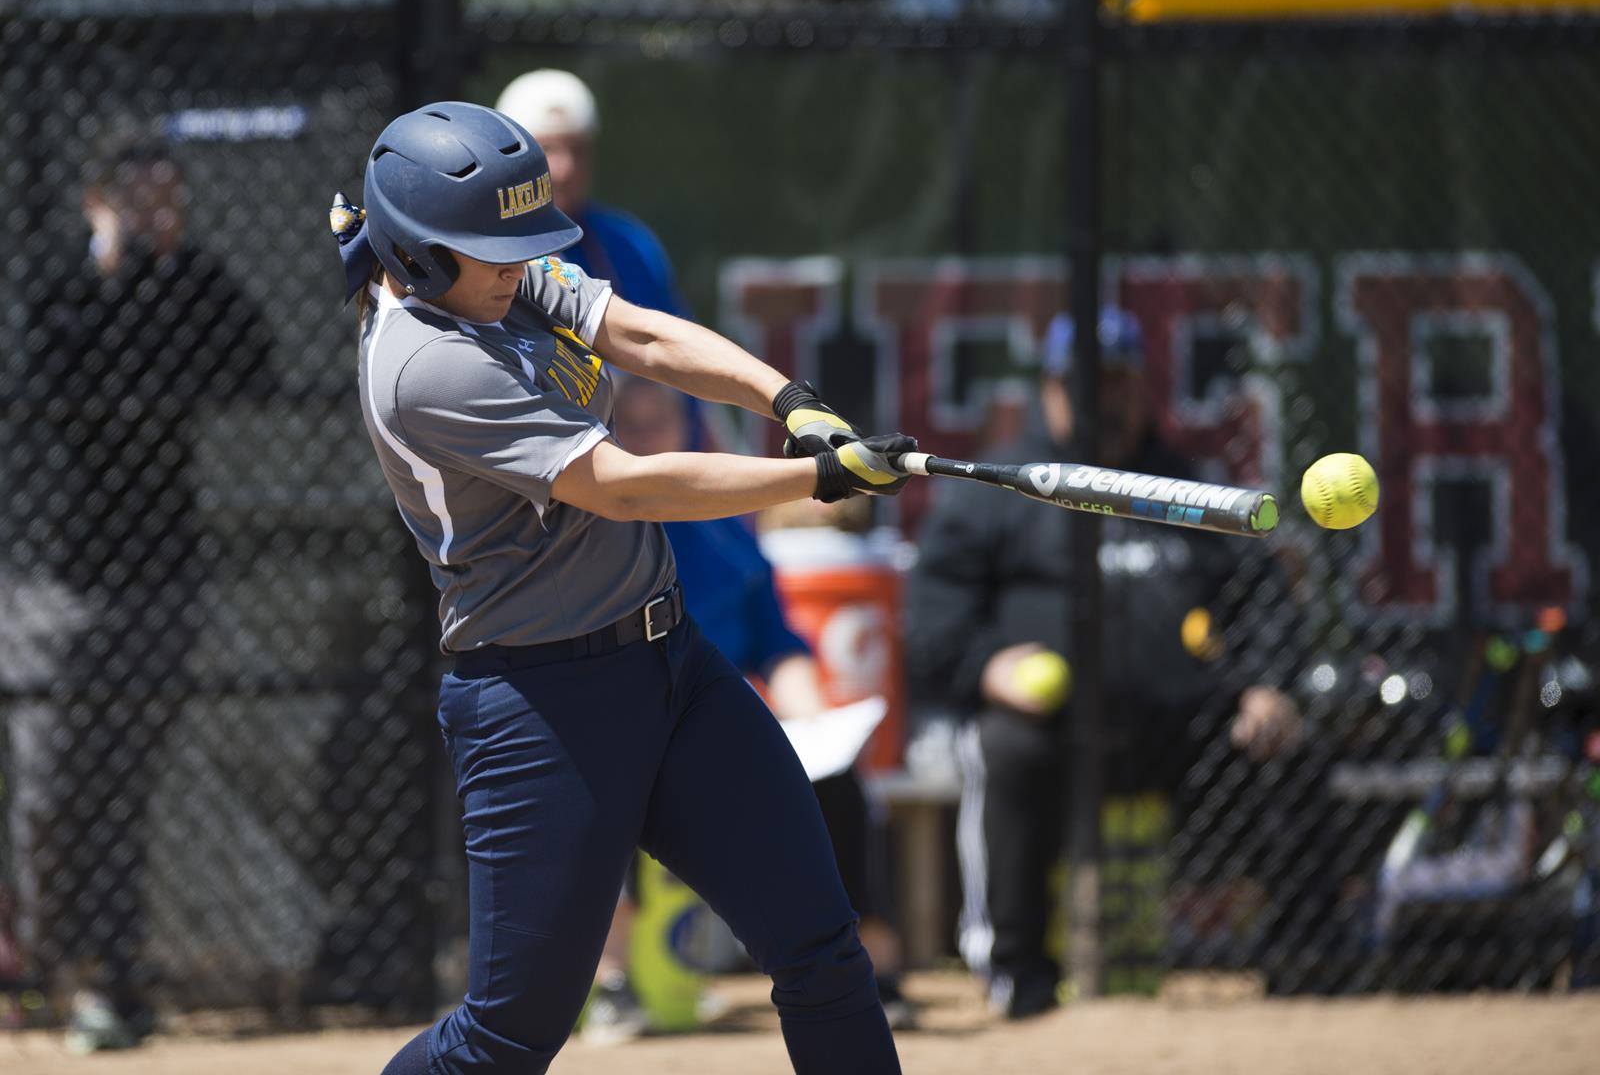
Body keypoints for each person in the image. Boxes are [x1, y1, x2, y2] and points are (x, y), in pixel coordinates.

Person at [332, 100, 912, 1075]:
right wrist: (812, 478)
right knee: (506, 1037)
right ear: (422, 253)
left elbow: (639, 332)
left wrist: (793, 404)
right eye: (494, 249)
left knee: (820, 948)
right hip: (542, 704)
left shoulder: (492, 274)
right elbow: (620, 482)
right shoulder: (422, 363)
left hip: (670, 665)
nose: (519, 266)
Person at [903, 308, 1294, 1018]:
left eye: (1117, 383)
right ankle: (1019, 974)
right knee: (1005, 748)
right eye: (1082, 383)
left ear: (1143, 389)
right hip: (1050, 732)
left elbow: (1261, 594)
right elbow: (931, 619)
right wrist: (988, 666)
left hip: (1183, 731)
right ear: (1047, 391)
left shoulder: (1184, 487)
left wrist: (1266, 682)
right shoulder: (996, 491)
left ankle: (1306, 960)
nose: (1100, 400)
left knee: (1288, 750)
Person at [9, 133, 275, 1049]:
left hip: (161, 569)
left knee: (125, 787)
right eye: (141, 198)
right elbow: (53, 373)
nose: (161, 214)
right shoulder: (58, 279)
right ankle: (55, 961)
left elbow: (256, 363)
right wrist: (116, 272)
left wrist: (163, 274)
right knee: (51, 788)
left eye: (173, 199)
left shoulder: (189, 280)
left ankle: (109, 982)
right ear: (98, 199)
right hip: (55, 574)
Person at [596, 377, 915, 1038]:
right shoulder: (601, 526)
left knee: (834, 777)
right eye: (638, 426)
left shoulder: (728, 539)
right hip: (628, 721)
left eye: (667, 423)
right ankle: (611, 985)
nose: (654, 437)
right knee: (604, 784)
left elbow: (778, 647)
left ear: (689, 433)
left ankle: (872, 966)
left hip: (719, 726)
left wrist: (816, 721)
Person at [494, 69, 715, 451]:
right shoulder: (486, 251)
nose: (564, 169)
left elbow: (671, 351)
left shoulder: (627, 241)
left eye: (577, 149)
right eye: (546, 150)